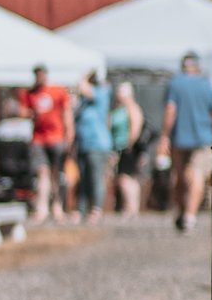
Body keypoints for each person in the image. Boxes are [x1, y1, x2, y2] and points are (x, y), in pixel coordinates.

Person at [156, 52, 212, 232]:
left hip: (179, 137)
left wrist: (164, 135)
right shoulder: (206, 85)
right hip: (203, 137)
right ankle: (190, 216)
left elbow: (170, 109)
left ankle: (181, 210)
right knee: (196, 174)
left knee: (180, 175)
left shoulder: (175, 83)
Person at [20, 64, 73, 223]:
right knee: (42, 173)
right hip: (38, 138)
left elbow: (67, 113)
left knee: (56, 174)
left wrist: (69, 135)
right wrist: (30, 113)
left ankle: (57, 207)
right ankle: (41, 208)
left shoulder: (57, 91)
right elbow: (22, 111)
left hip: (56, 138)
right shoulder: (30, 93)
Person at [73, 72, 113, 222]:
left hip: (98, 144)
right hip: (83, 144)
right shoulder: (83, 102)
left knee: (95, 178)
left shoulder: (101, 94)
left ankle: (96, 209)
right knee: (83, 179)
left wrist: (85, 74)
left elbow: (82, 87)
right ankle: (81, 209)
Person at [110, 80, 146, 217]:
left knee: (125, 177)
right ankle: (130, 207)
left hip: (128, 147)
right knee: (126, 177)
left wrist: (128, 144)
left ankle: (130, 207)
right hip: (120, 146)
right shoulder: (119, 108)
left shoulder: (132, 108)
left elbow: (136, 128)